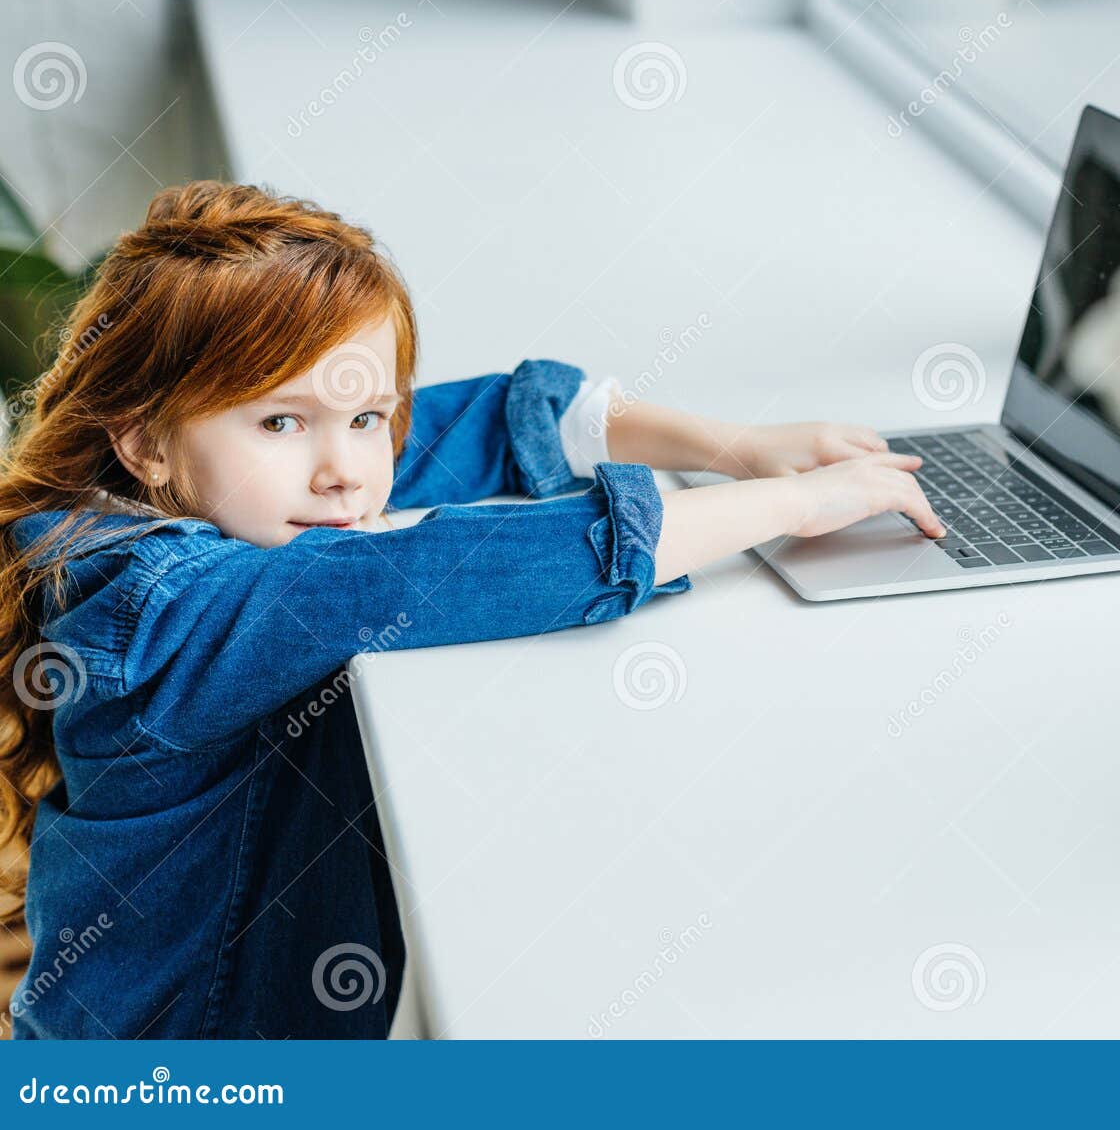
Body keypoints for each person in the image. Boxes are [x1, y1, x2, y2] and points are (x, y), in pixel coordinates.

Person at [0, 181, 942, 1038]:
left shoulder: (237, 486)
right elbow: (424, 571)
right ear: (146, 444)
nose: (344, 469)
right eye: (281, 421)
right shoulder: (166, 611)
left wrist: (737, 444)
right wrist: (799, 506)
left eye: (365, 416)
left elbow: (486, 419)